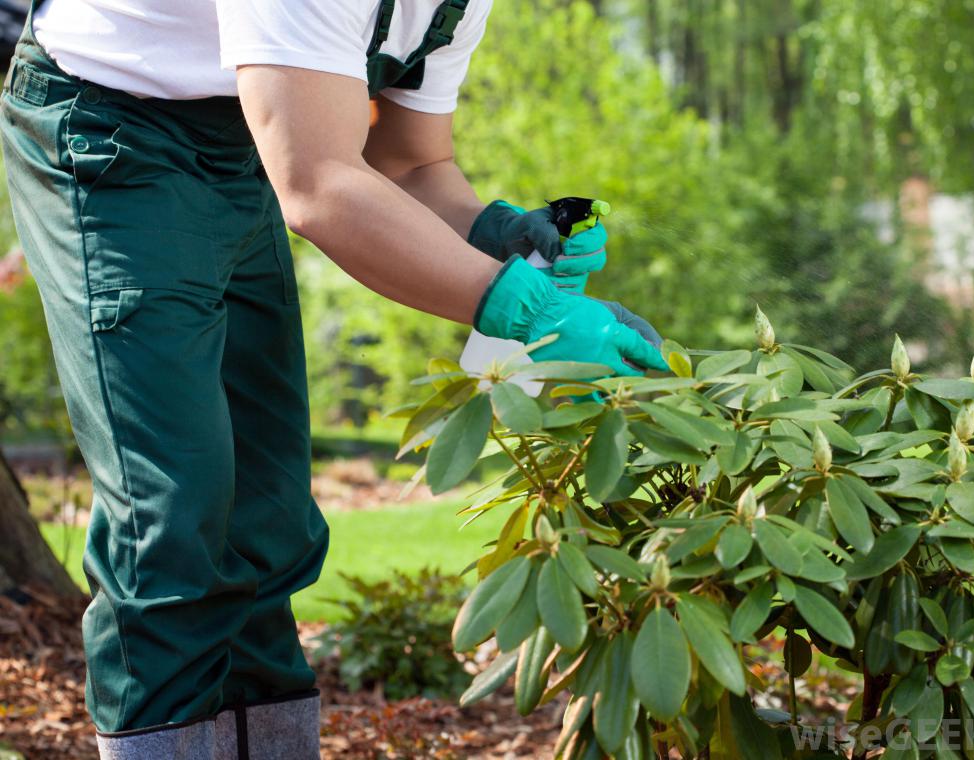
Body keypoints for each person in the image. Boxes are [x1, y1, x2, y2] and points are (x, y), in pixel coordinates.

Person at [0, 0, 666, 757]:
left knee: (266, 517)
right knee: (174, 512)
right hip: (108, 123)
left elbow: (410, 162)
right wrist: (526, 306)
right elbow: (317, 185)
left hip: (246, 133)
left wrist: (498, 238)